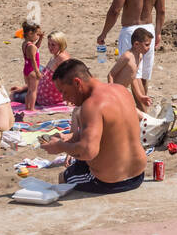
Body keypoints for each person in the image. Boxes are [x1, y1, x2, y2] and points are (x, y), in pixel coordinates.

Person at [41, 60, 147, 194]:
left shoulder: (91, 105)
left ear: (77, 82)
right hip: (138, 176)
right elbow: (109, 131)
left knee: (64, 177)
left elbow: (88, 152)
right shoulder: (120, 90)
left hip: (109, 183)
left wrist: (60, 147)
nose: (64, 99)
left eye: (64, 92)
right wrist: (67, 138)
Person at [97, 0, 165, 98]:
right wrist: (158, 32)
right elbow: (161, 11)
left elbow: (115, 11)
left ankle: (141, 112)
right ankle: (144, 110)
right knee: (144, 75)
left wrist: (104, 33)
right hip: (149, 29)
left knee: (133, 74)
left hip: (130, 31)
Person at [109, 28, 154, 113]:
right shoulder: (127, 56)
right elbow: (111, 74)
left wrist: (140, 96)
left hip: (122, 91)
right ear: (136, 44)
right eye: (147, 45)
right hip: (115, 93)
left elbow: (133, 78)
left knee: (134, 113)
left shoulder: (139, 56)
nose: (149, 48)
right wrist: (112, 92)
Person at [10, 21, 44, 105]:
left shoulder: (25, 44)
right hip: (32, 70)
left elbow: (36, 48)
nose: (37, 36)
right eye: (37, 34)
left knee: (30, 90)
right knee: (33, 91)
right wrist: (37, 72)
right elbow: (33, 60)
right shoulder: (31, 46)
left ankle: (28, 107)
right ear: (30, 33)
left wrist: (40, 39)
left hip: (26, 69)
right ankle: (31, 107)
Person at [33, 31, 70, 108]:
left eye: (53, 45)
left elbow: (68, 78)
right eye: (49, 44)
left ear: (60, 45)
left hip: (49, 98)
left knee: (14, 95)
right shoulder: (55, 56)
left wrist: (69, 100)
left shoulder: (61, 58)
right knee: (36, 67)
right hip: (44, 92)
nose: (50, 47)